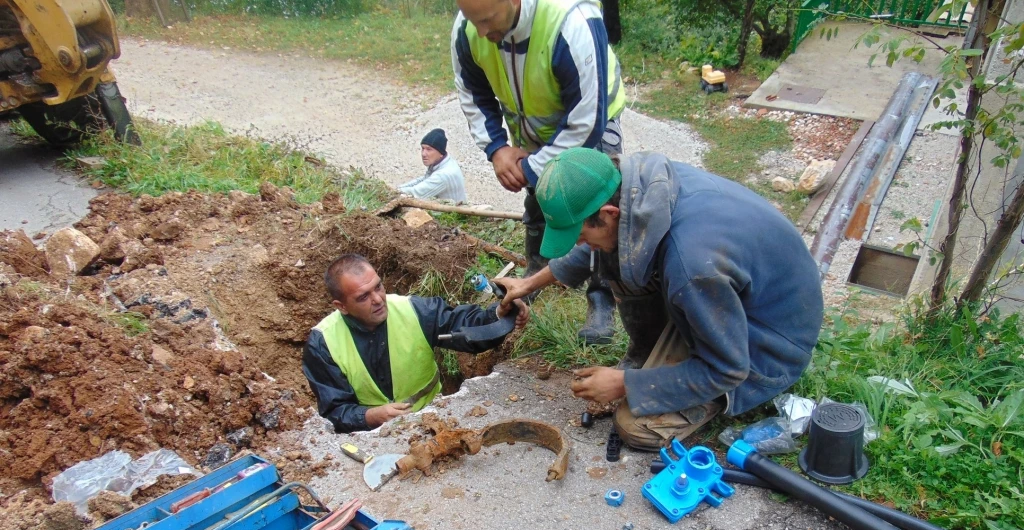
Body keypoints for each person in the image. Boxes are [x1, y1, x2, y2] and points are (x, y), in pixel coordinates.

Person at [497, 148, 825, 450]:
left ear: (609, 213)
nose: (582, 245)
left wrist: (626, 385)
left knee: (634, 428)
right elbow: (597, 244)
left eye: (581, 236)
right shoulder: (641, 191)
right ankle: (649, 358)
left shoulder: (691, 267)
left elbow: (728, 369)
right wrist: (528, 283)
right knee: (616, 253)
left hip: (765, 346)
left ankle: (663, 374)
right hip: (733, 298)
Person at [452, 0, 625, 345]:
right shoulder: (469, 24)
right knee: (538, 210)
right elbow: (473, 93)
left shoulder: (572, 21)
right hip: (531, 136)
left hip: (591, 130)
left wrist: (530, 167)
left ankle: (602, 297)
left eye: (487, 21)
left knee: (597, 218)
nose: (482, 33)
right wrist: (498, 149)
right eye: (475, 22)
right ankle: (533, 277)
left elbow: (586, 120)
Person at [303, 253, 528, 433]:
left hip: (433, 418)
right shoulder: (323, 343)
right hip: (369, 437)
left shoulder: (413, 310)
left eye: (378, 287)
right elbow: (334, 411)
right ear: (341, 306)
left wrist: (498, 314)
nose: (378, 299)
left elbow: (463, 325)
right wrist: (369, 416)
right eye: (363, 297)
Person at [398, 128, 468, 204]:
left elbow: (416, 194)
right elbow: (424, 179)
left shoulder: (443, 175)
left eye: (429, 149)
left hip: (453, 213)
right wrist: (399, 188)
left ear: (440, 152)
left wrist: (394, 192)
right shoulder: (444, 161)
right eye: (423, 148)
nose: (423, 154)